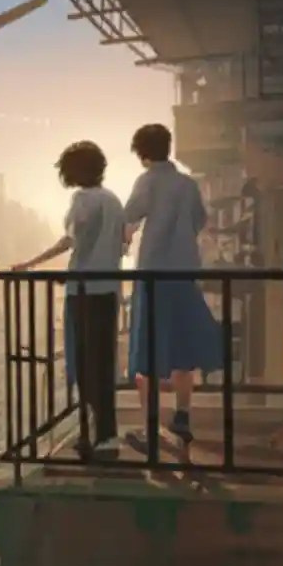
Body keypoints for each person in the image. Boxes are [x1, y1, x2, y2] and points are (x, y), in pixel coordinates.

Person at [11, 141, 126, 460]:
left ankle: (97, 435)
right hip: (108, 290)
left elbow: (74, 242)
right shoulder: (113, 200)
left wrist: (32, 265)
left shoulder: (83, 200)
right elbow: (119, 241)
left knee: (83, 364)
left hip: (84, 292)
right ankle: (106, 434)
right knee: (103, 363)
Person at [124, 123, 222, 445]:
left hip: (153, 275)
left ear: (142, 153)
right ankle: (182, 417)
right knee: (182, 351)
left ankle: (150, 426)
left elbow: (130, 217)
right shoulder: (187, 184)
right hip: (183, 273)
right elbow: (199, 221)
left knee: (145, 354)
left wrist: (125, 241)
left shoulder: (147, 181)